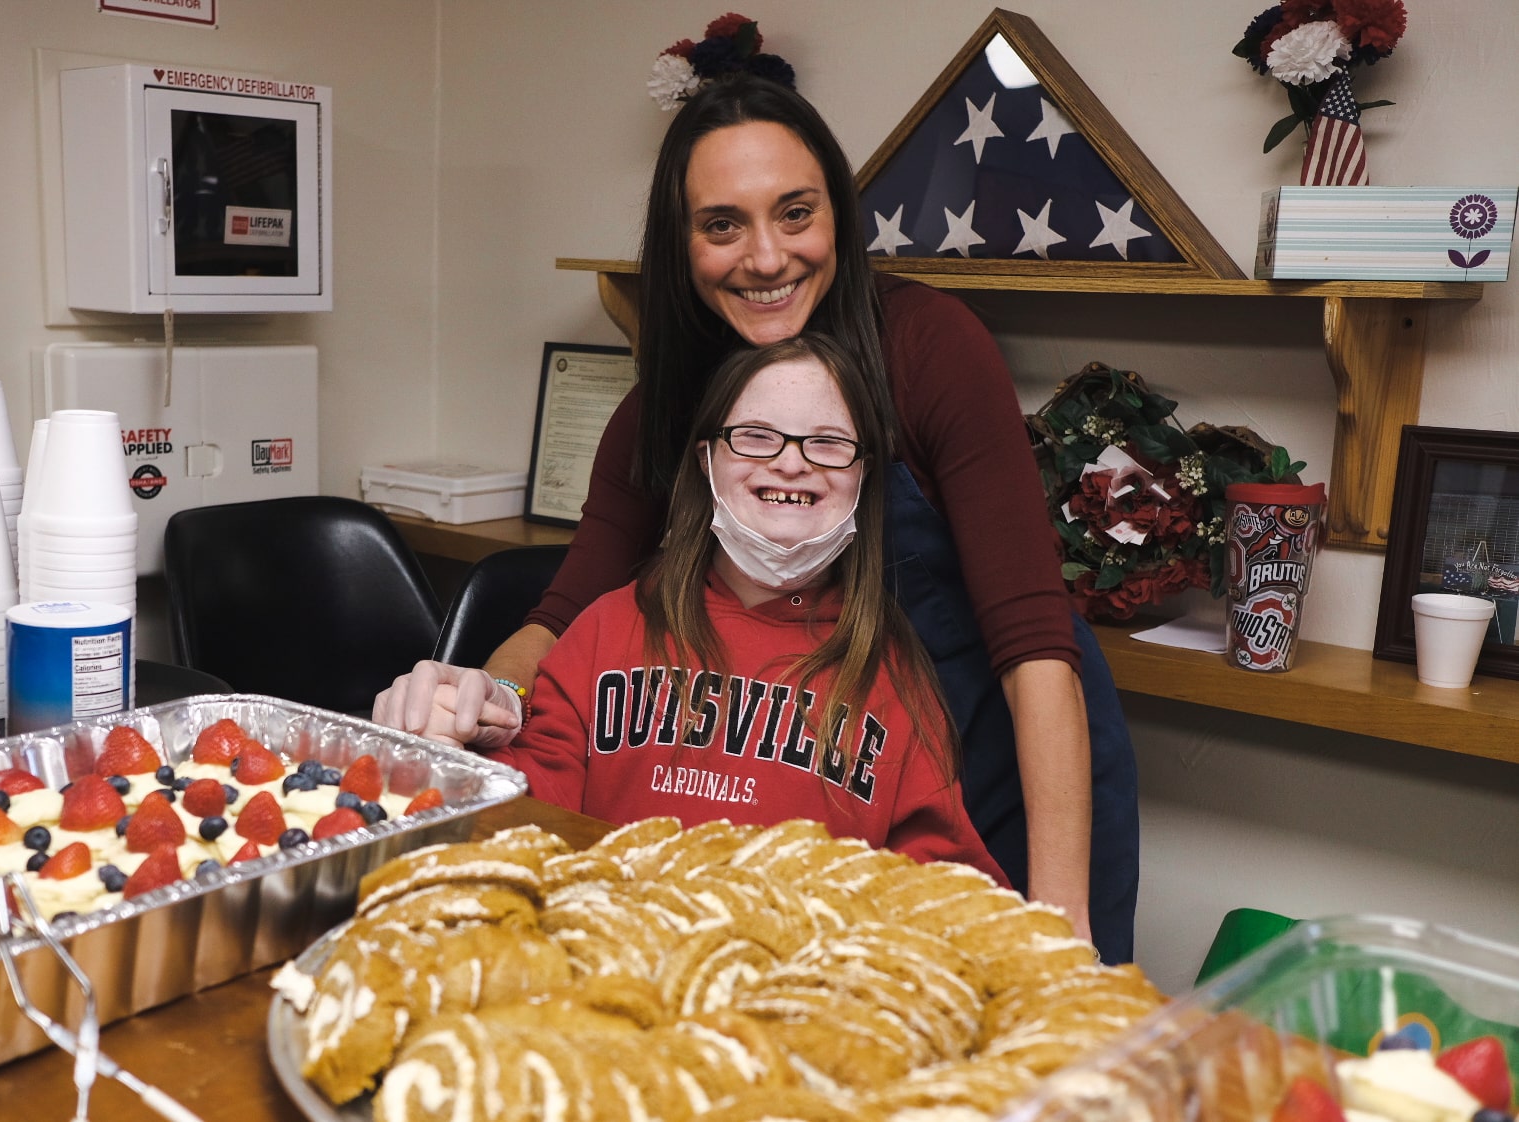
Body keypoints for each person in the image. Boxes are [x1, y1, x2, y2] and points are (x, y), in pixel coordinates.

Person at [374, 76, 1138, 963]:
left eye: (795, 214)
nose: (766, 258)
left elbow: (1033, 644)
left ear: (838, 222)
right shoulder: (662, 405)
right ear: (682, 244)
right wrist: (485, 696)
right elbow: (563, 614)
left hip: (1000, 762)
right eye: (723, 225)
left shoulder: (930, 347)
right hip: (812, 783)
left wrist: (1059, 922)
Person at [389, 335, 1007, 882]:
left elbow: (941, 886)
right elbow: (528, 809)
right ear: (706, 460)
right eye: (757, 436)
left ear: (863, 477)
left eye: (827, 442)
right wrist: (451, 752)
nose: (791, 461)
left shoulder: (894, 675)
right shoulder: (605, 630)